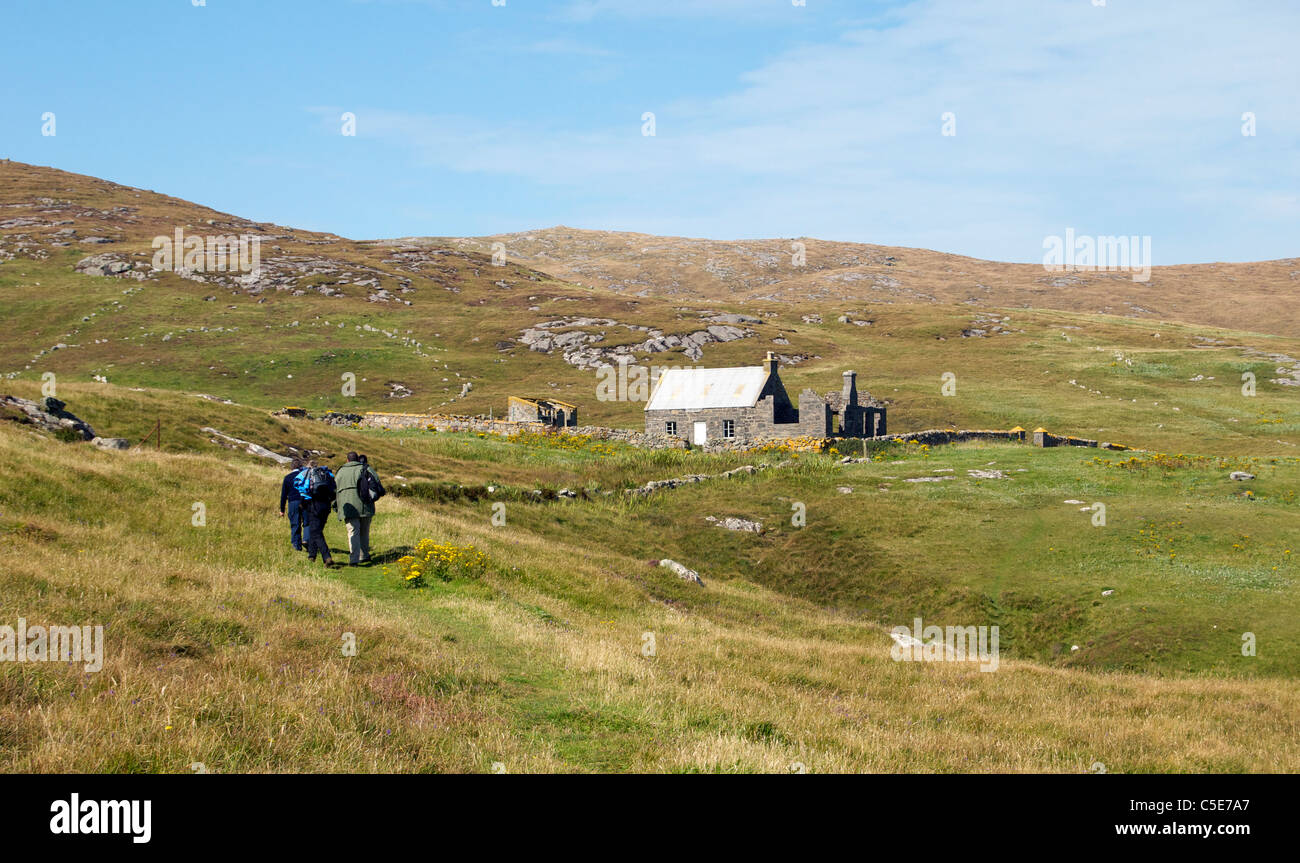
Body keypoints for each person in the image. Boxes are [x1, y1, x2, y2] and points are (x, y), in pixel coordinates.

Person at [334, 451, 382, 566]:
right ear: (357, 459)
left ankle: (354, 559)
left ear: (347, 460)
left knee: (353, 532)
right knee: (364, 532)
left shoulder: (340, 472)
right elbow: (377, 484)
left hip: (348, 507)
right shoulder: (366, 469)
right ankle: (364, 555)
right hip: (366, 505)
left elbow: (334, 490)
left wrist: (336, 505)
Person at [295, 459, 339, 569]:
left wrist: (302, 505)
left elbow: (304, 492)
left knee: (316, 531)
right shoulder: (326, 475)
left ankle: (327, 557)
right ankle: (312, 555)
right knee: (316, 530)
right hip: (326, 505)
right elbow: (334, 491)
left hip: (314, 505)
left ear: (308, 466)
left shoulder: (307, 475)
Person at [278, 459, 307, 551]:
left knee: (295, 524)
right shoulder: (305, 476)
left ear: (292, 467)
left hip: (293, 502)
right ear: (300, 466)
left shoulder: (287, 478)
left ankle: (296, 546)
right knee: (307, 522)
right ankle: (307, 540)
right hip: (305, 501)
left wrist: (282, 510)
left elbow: (283, 495)